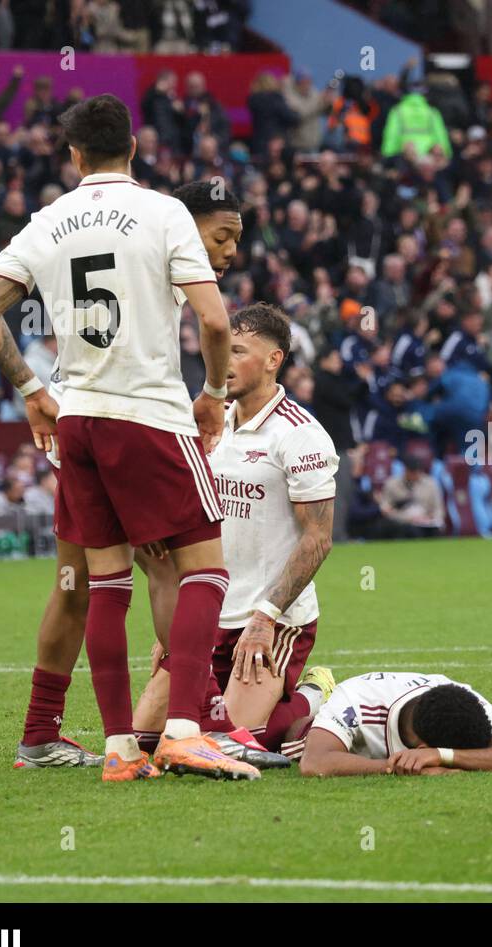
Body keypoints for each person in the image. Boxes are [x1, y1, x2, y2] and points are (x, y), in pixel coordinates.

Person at [0, 95, 257, 782]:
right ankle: (190, 726)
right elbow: (215, 324)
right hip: (148, 415)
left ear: (73, 156)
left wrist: (34, 394)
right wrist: (213, 399)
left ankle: (120, 748)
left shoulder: (48, 221)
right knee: (204, 569)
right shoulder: (162, 215)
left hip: (78, 419)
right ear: (133, 145)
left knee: (101, 582)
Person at [131, 303, 339, 763]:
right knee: (147, 740)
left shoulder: (301, 435)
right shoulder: (207, 422)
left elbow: (318, 538)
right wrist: (172, 623)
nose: (222, 362)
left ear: (273, 360)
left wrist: (265, 619)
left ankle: (314, 694)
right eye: (220, 349)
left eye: (238, 350)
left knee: (242, 743)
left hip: (271, 618)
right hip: (205, 613)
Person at [297, 672, 492, 777]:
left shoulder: (459, 696)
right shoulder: (355, 700)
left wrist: (442, 756)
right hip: (333, 715)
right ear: (422, 744)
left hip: (438, 725)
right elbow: (315, 763)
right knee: (293, 738)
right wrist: (397, 767)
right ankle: (312, 687)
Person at [377, 454, 444, 536]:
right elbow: (385, 509)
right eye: (412, 472)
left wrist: (432, 518)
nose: (415, 475)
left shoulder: (431, 484)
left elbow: (438, 508)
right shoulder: (392, 484)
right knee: (409, 530)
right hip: (402, 522)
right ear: (405, 470)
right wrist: (408, 519)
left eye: (417, 472)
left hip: (426, 521)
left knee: (436, 531)